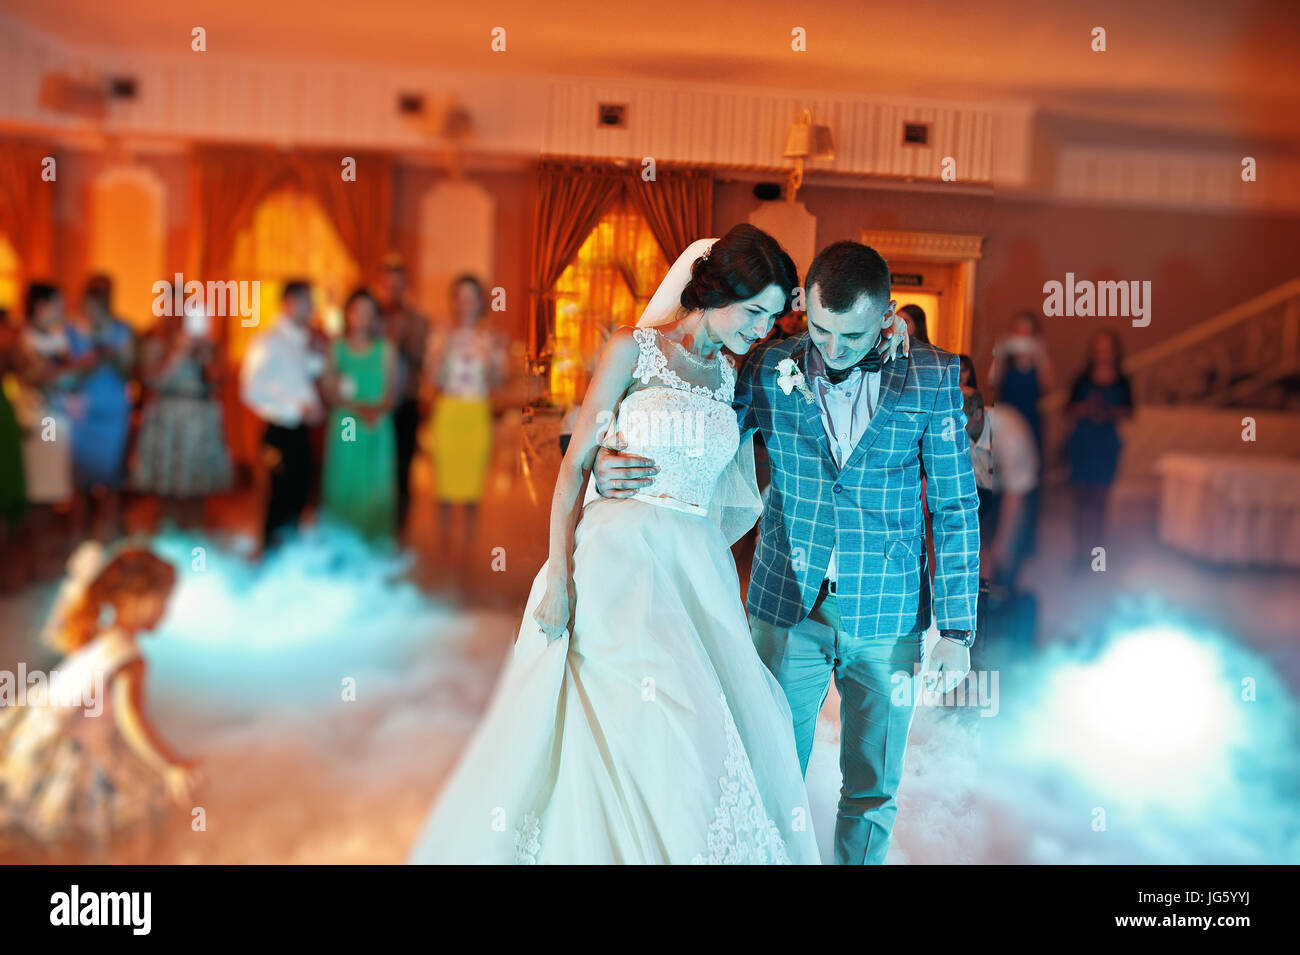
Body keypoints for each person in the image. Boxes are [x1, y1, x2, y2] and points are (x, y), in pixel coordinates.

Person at [411, 225, 820, 864]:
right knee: (631, 712)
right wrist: (558, 579)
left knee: (694, 726)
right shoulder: (635, 349)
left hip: (696, 572)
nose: (763, 328)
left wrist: (893, 338)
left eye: (774, 316)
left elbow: (803, 377)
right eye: (755, 311)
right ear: (716, 292)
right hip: (616, 561)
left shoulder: (733, 375)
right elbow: (573, 466)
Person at [596, 240, 979, 865]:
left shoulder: (933, 376)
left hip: (887, 615)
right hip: (784, 604)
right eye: (821, 330)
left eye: (851, 337)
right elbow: (695, 419)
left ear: (887, 318)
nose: (831, 351)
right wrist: (616, 453)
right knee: (768, 772)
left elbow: (957, 506)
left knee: (872, 789)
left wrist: (958, 631)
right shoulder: (768, 365)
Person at [0, 543, 198, 856]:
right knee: (100, 826)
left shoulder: (97, 634)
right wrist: (169, 764)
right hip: (67, 749)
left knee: (22, 820)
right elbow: (132, 720)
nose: (166, 612)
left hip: (40, 734)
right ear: (135, 598)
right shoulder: (131, 658)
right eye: (163, 601)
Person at [426, 274, 506, 570]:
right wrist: (442, 348)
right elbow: (432, 379)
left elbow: (498, 382)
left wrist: (495, 355)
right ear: (454, 301)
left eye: (471, 296)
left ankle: (468, 553)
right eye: (460, 296)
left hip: (477, 413)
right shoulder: (441, 333)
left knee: (472, 490)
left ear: (480, 301)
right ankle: (443, 548)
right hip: (448, 411)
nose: (465, 303)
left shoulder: (491, 336)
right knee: (445, 488)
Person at [240, 280, 326, 551]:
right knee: (278, 500)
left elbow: (302, 377)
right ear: (291, 303)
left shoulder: (301, 342)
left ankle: (289, 563)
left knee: (299, 498)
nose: (313, 309)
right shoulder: (268, 341)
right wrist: (294, 408)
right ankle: (269, 561)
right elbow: (251, 390)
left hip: (300, 432)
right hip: (279, 430)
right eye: (309, 302)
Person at [131, 303, 233, 529]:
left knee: (198, 487)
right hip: (167, 416)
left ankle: (195, 542)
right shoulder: (154, 340)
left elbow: (218, 382)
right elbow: (151, 380)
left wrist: (204, 354)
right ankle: (168, 537)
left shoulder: (208, 343)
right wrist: (178, 352)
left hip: (199, 417)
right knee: (166, 486)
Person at [320, 289, 398, 542]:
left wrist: (375, 410)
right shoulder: (336, 348)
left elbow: (391, 393)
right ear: (347, 315)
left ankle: (374, 544)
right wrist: (356, 408)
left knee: (374, 483)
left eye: (368, 312)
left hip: (377, 425)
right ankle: (340, 542)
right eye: (357, 311)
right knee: (345, 479)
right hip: (347, 424)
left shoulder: (386, 349)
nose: (362, 317)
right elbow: (329, 390)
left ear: (376, 317)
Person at [66, 275, 134, 540]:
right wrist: (91, 359)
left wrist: (113, 358)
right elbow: (65, 377)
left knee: (111, 478)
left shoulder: (123, 330)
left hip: (113, 410)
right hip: (82, 410)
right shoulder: (71, 331)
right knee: (80, 479)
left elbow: (130, 373)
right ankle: (78, 535)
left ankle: (110, 536)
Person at [15, 282, 78, 573]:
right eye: (57, 304)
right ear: (41, 305)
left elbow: (62, 376)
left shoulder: (58, 336)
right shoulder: (23, 338)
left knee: (52, 494)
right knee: (38, 493)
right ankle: (31, 560)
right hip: (37, 419)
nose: (62, 311)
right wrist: (74, 368)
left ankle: (44, 558)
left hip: (56, 419)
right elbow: (38, 376)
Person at [1065, 330, 1133, 570]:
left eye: (1107, 348)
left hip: (1106, 446)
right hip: (1083, 443)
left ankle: (1096, 555)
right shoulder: (1082, 379)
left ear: (1115, 352)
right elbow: (1068, 409)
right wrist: (1086, 408)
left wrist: (1107, 411)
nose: (1103, 353)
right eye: (1099, 348)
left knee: (1100, 503)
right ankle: (1079, 553)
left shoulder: (1123, 380)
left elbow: (1129, 412)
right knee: (1080, 502)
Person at [375, 257, 430, 532]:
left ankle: (399, 528)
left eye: (397, 286)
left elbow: (423, 362)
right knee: (373, 466)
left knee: (402, 467)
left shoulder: (419, 322)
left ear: (405, 287)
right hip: (372, 405)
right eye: (387, 286)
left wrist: (402, 340)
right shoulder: (369, 317)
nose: (391, 291)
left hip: (405, 403)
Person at [963, 387, 1038, 590]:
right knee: (967, 543)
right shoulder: (956, 428)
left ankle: (1006, 593)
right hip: (980, 488)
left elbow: (1015, 496)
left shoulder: (1008, 433)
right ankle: (976, 590)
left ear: (978, 415)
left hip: (1015, 488)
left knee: (1008, 548)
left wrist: (1003, 543)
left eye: (960, 418)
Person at [988, 311, 1053, 458]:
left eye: (1027, 333)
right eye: (1018, 332)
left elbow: (1047, 387)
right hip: (1005, 419)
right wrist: (1000, 353)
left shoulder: (1040, 361)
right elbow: (991, 382)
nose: (1022, 337)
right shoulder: (1006, 362)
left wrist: (1040, 355)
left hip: (1030, 419)